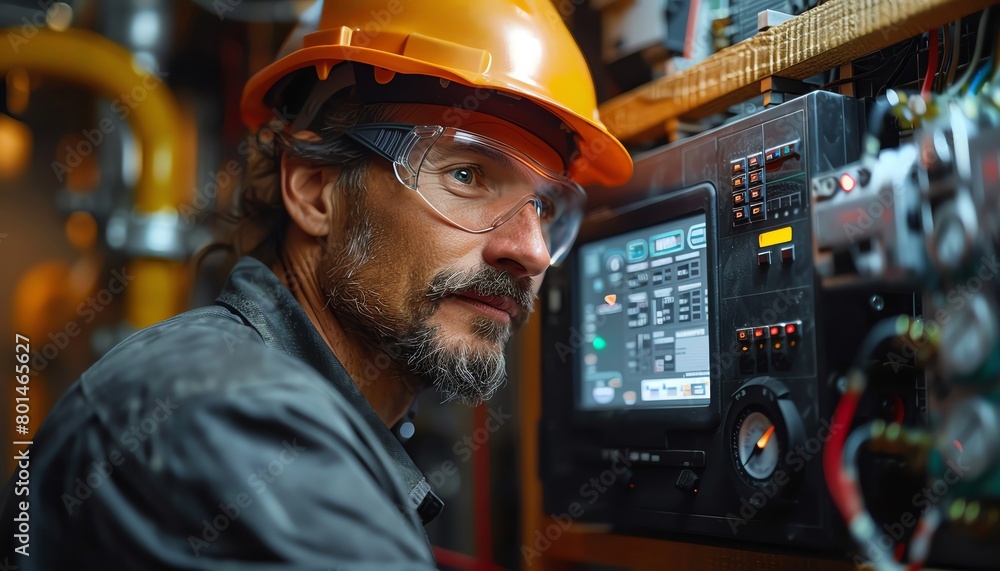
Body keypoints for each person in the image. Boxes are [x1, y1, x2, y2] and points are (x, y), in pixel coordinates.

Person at [1, 0, 633, 568]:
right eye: (468, 175)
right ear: (314, 192)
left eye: (546, 209)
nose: (531, 251)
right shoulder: (225, 412)